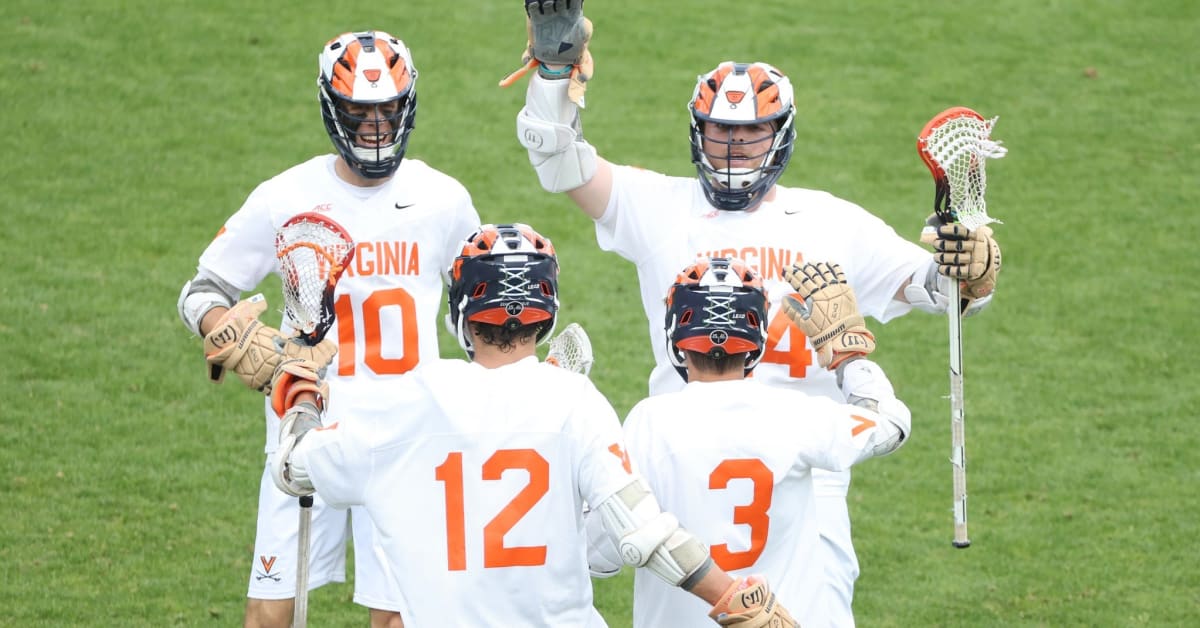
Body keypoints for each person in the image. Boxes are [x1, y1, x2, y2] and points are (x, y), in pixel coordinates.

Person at [507, 2, 1004, 625]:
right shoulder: (659, 205)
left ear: (781, 135)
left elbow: (939, 289)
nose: (734, 147)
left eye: (750, 133)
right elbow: (559, 159)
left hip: (806, 475)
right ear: (698, 132)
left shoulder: (830, 221)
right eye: (720, 131)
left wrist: (973, 270)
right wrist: (554, 75)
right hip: (683, 465)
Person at [267, 224, 798, 627]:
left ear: (463, 309)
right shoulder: (573, 399)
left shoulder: (409, 400)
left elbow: (292, 468)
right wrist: (732, 598)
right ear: (547, 310)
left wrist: (301, 390)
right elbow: (644, 535)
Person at [176, 30, 481, 627]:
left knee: (398, 619)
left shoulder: (444, 199)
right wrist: (228, 332)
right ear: (331, 108)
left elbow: (470, 314)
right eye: (360, 112)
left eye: (388, 109)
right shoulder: (285, 197)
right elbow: (201, 291)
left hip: (404, 438)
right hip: (304, 428)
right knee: (271, 615)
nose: (376, 126)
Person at [611, 256, 911, 627]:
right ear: (757, 336)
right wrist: (847, 356)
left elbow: (604, 555)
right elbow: (890, 423)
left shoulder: (647, 423)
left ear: (676, 333)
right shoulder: (795, 414)